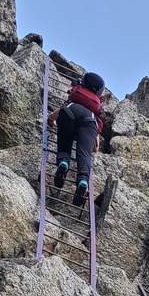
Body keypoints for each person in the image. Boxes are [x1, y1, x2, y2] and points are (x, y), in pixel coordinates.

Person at [53, 72, 104, 207]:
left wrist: (51, 119)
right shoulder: (95, 113)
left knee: (64, 145)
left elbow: (57, 113)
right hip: (89, 123)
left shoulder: (74, 98)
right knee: (84, 155)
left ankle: (63, 162)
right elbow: (95, 148)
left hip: (69, 112)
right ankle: (83, 181)